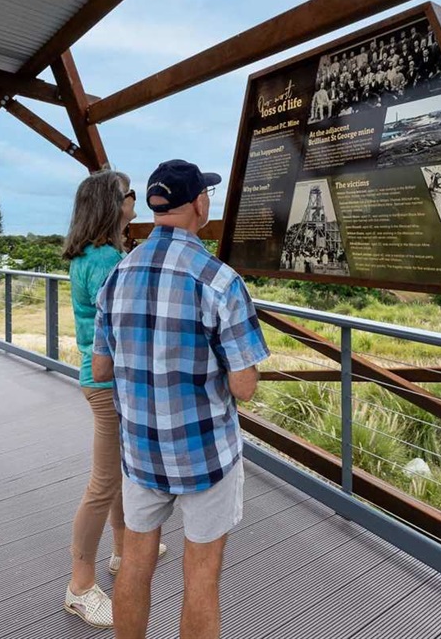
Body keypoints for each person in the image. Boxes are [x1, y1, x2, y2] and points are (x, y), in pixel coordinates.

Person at [92, 159, 269, 639]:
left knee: (134, 564)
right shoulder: (219, 280)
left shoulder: (118, 276)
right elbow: (244, 387)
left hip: (142, 452)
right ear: (199, 204)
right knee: (201, 578)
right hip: (204, 454)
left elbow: (101, 368)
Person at [60, 170, 166, 629]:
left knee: (118, 472)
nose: (135, 201)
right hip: (109, 384)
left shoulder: (91, 255)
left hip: (99, 378)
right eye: (129, 195)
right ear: (111, 204)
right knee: (103, 482)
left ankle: (123, 550)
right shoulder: (106, 260)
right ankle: (80, 586)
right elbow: (126, 326)